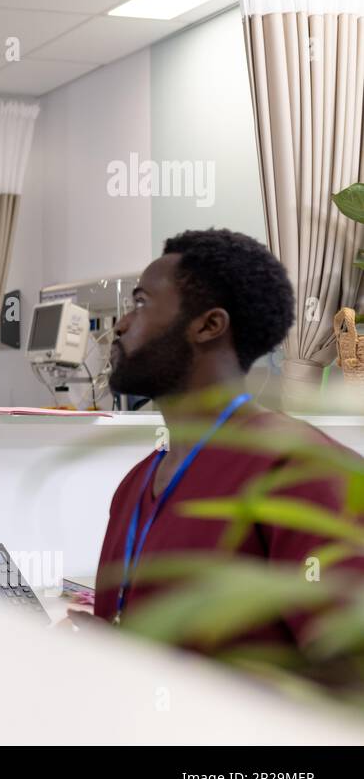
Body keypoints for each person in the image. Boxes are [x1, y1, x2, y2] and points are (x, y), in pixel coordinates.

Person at [84, 229, 364, 661]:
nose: (120, 324)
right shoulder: (136, 484)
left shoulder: (299, 469)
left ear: (209, 325)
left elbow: (345, 673)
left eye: (140, 303)